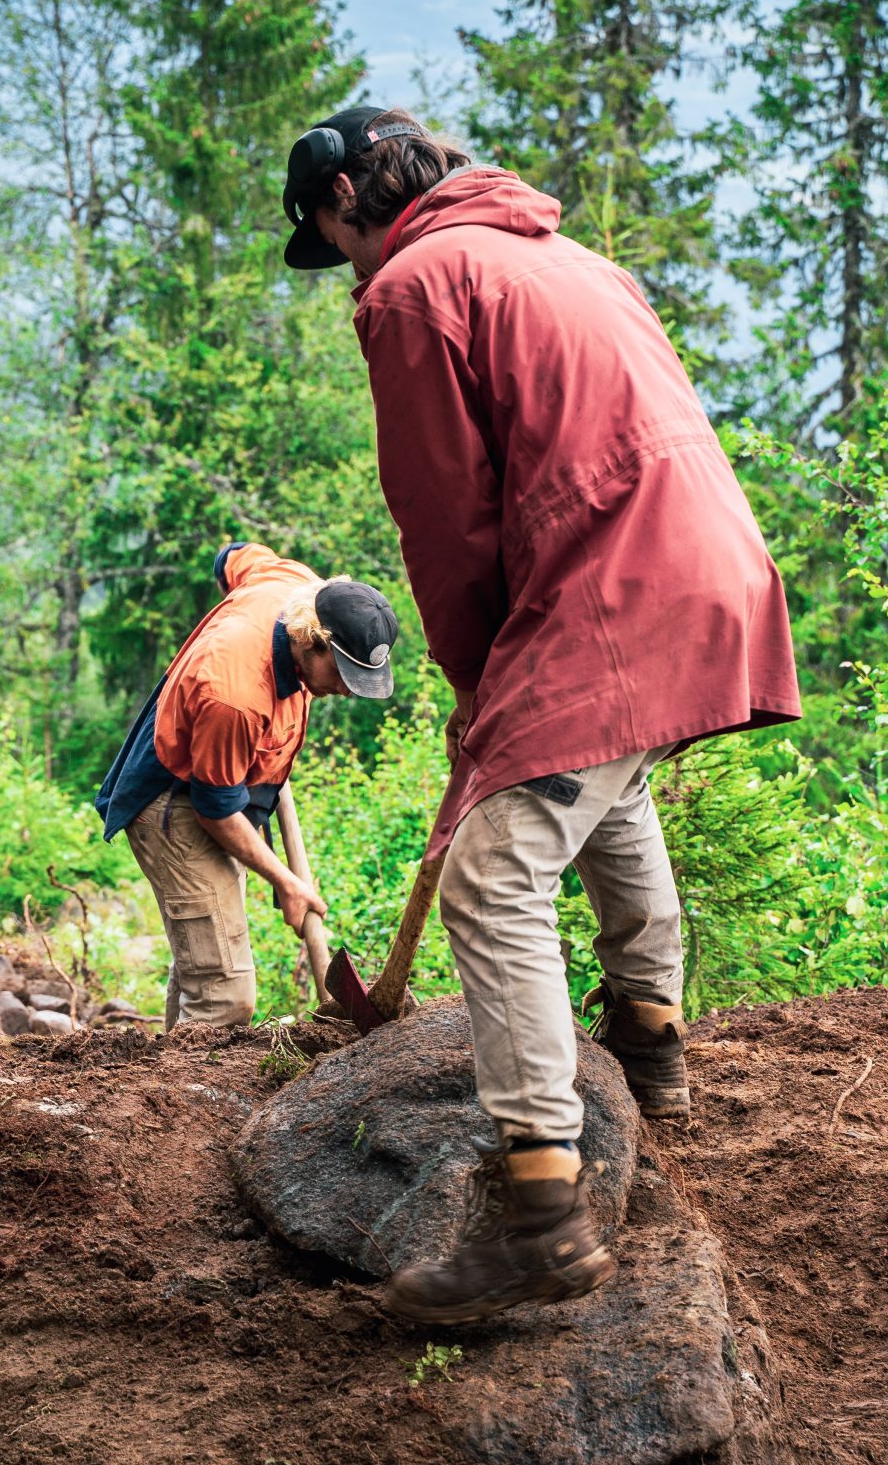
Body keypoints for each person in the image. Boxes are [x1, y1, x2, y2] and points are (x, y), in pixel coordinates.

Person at [283, 106, 801, 1324]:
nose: (340, 264)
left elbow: (444, 520)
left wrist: (480, 693)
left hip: (611, 579)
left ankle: (540, 1213)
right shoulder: (568, 256)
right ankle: (652, 1044)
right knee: (602, 784)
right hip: (708, 564)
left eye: (327, 235)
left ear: (353, 193)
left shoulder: (412, 286)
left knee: (492, 871)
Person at [94, 542, 400, 1028]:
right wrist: (287, 882)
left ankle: (164, 1084)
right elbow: (213, 809)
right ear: (311, 641)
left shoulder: (295, 584)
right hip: (177, 808)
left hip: (231, 794)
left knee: (204, 963)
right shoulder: (234, 694)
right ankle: (187, 1102)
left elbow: (231, 556)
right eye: (342, 675)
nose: (345, 691)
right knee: (225, 997)